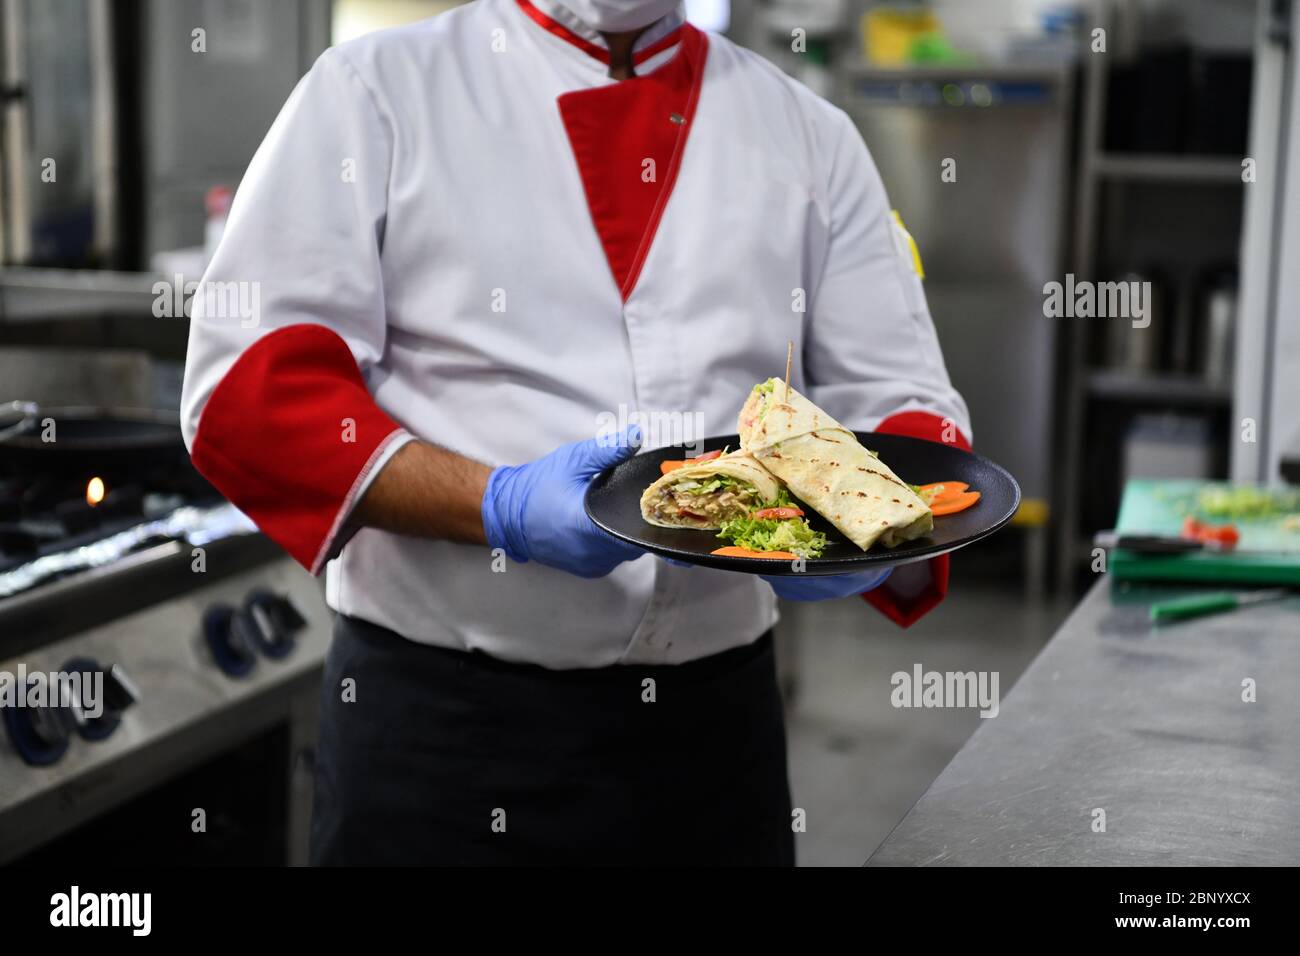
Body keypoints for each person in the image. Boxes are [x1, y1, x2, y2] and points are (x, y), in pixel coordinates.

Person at [180, 0, 971, 865]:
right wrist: (496, 506)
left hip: (713, 741)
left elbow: (899, 394)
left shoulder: (810, 134)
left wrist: (871, 531)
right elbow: (247, 393)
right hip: (442, 737)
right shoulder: (373, 94)